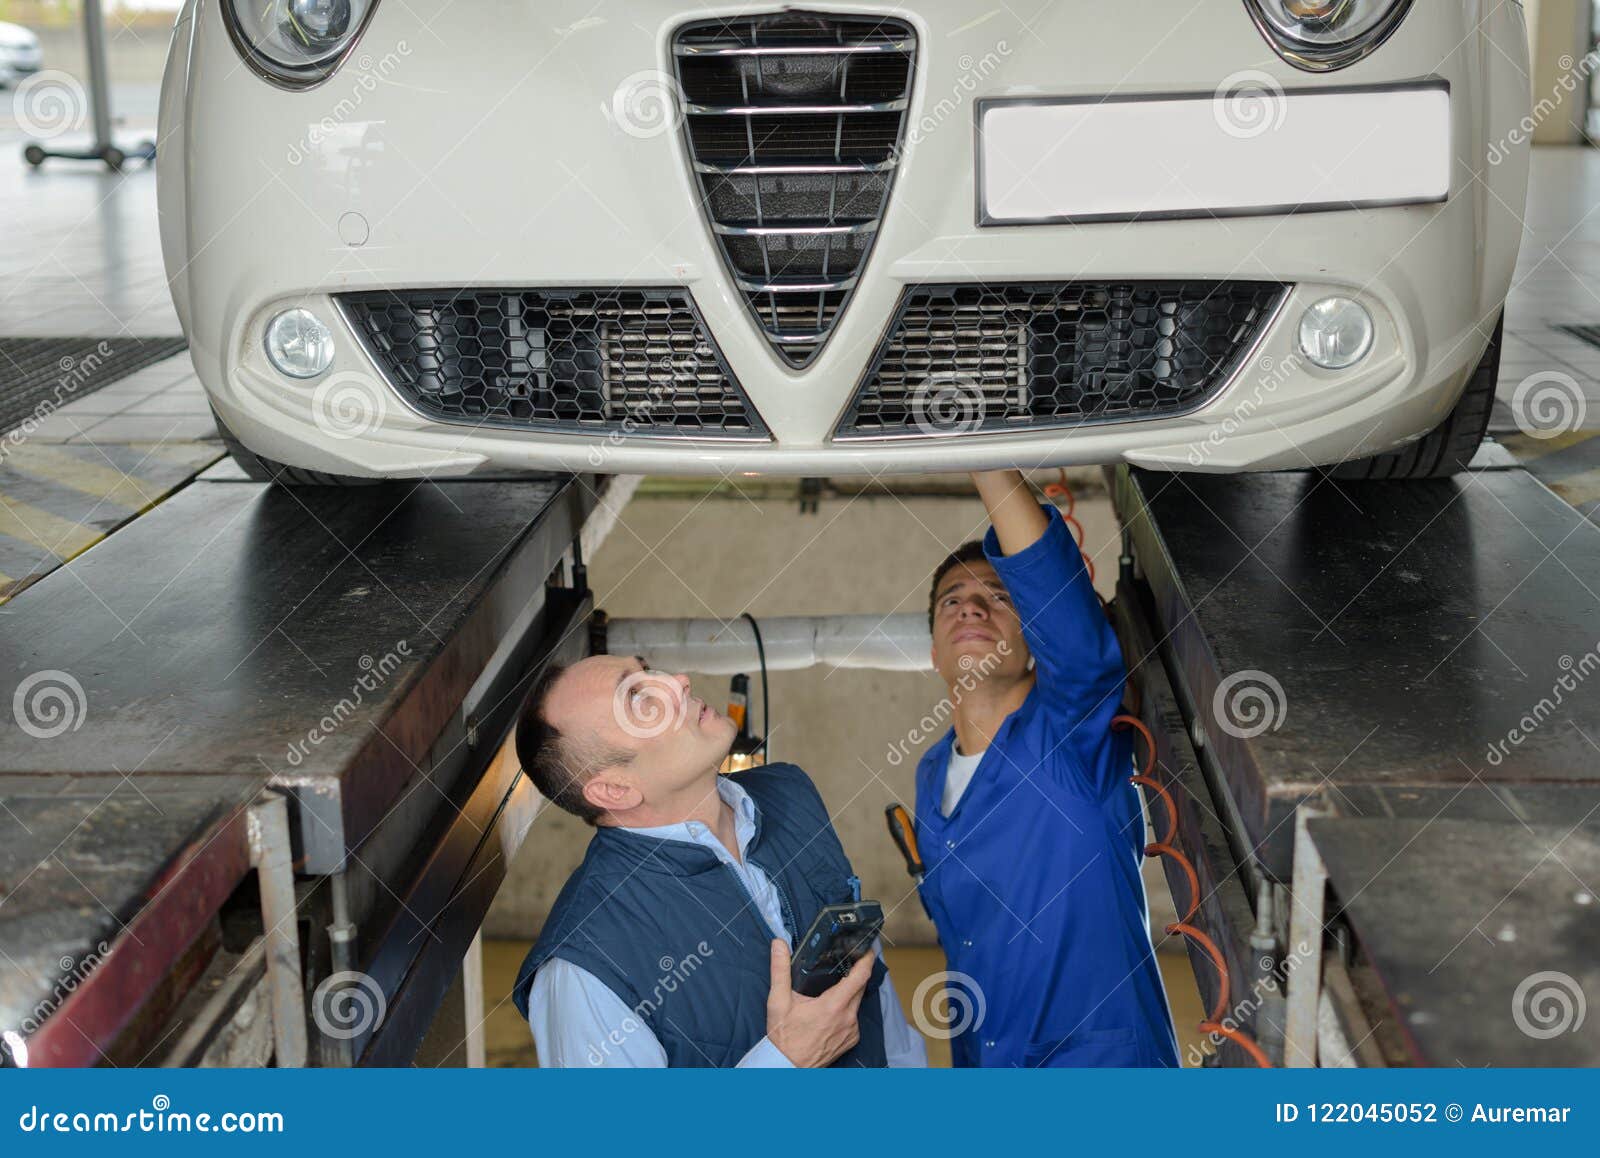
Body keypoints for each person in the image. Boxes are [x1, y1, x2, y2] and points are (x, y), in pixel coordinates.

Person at [509, 653, 926, 1068]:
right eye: (638, 700)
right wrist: (786, 1061)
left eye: (649, 668)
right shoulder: (584, 972)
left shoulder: (790, 796)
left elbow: (872, 986)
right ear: (615, 790)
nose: (680, 679)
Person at [913, 469, 1178, 1067]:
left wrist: (983, 452)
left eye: (998, 597)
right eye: (950, 601)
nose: (971, 608)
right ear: (933, 651)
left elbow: (1069, 624)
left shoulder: (1068, 731)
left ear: (1033, 641)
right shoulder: (931, 777)